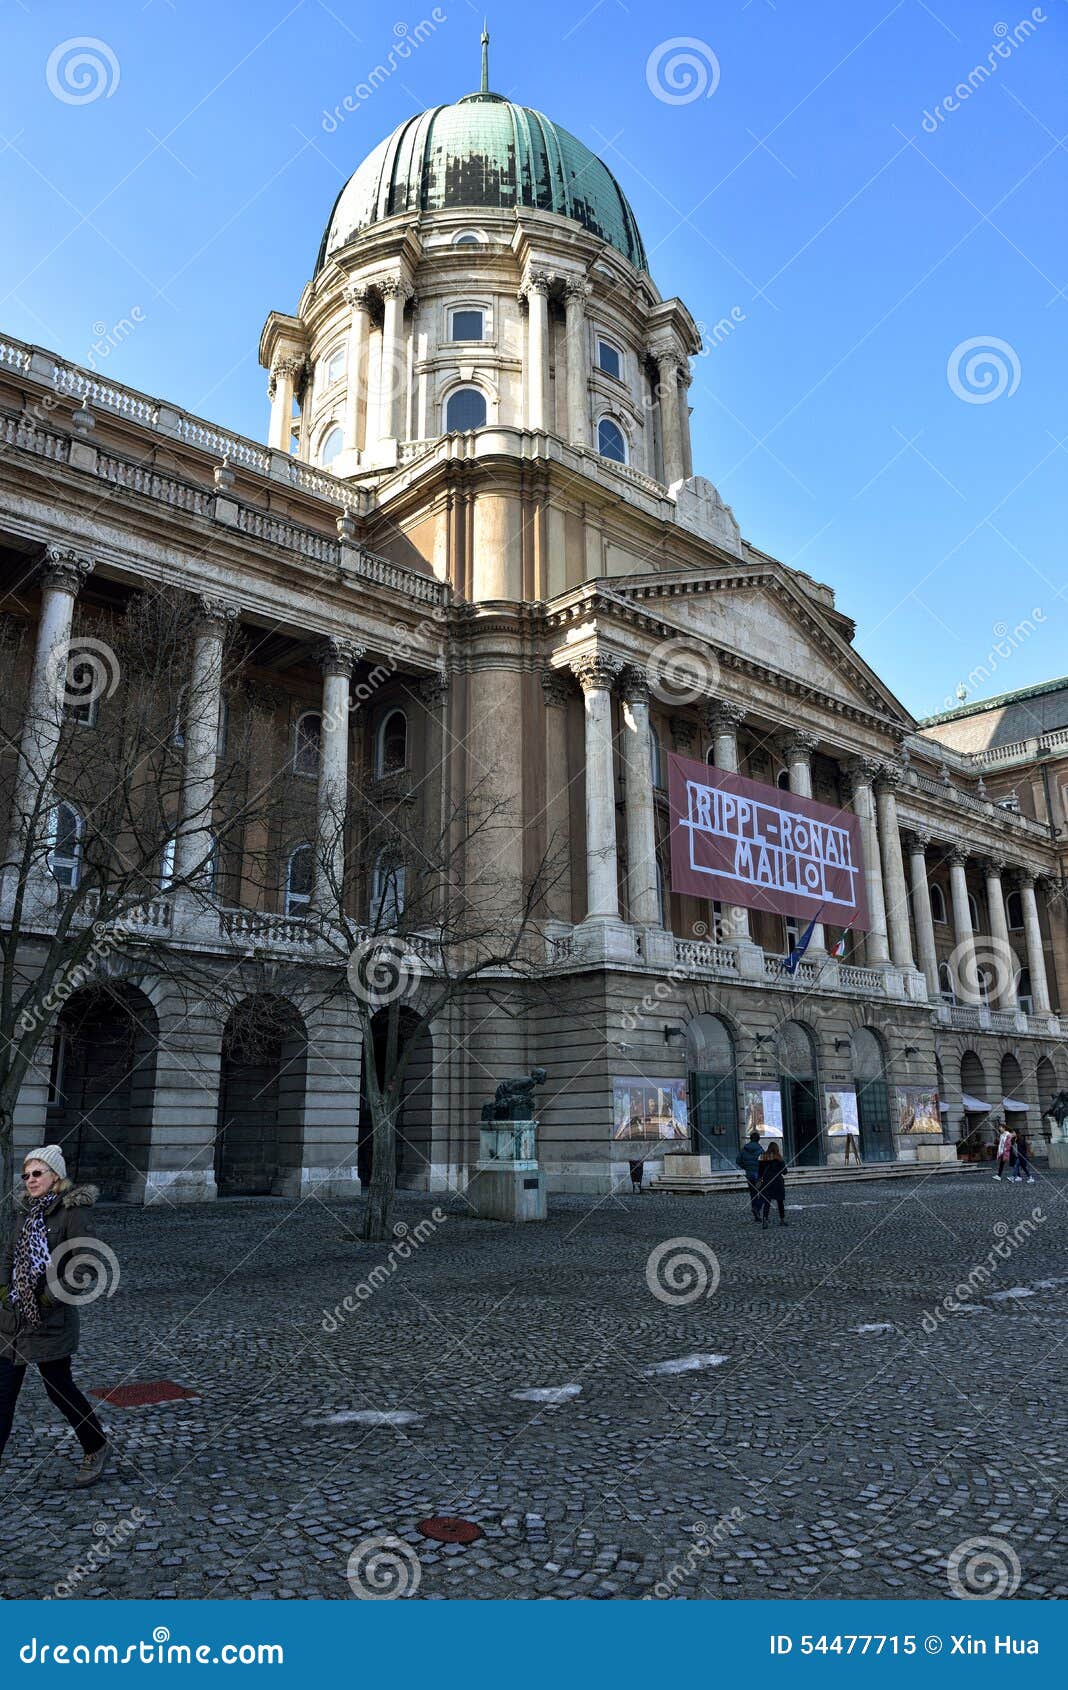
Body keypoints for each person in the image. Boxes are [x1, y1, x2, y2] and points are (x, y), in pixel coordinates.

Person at [0, 1147, 110, 1485]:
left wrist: (46, 1299)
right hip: (11, 1320)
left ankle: (96, 1445)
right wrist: (4, 1292)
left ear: (55, 1177)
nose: (30, 1179)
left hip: (50, 1321)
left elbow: (86, 1263)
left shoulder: (71, 1213)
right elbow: (8, 1255)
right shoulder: (24, 1212)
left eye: (37, 1173)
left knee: (59, 1389)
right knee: (3, 1395)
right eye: (26, 1175)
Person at [756, 1141, 788, 1228]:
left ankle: (765, 1220)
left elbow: (759, 1172)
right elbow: (785, 1172)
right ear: (777, 1149)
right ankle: (782, 1220)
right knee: (780, 1202)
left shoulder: (763, 1157)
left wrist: (759, 1180)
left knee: (767, 1202)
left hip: (767, 1182)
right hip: (778, 1182)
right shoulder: (779, 1158)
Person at [736, 1129, 764, 1223]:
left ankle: (755, 1212)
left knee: (753, 1194)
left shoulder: (744, 1149)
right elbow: (764, 1163)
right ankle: (757, 1209)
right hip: (758, 1175)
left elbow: (738, 1161)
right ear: (758, 1140)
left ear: (750, 1139)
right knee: (763, 1193)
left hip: (749, 1174)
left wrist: (746, 1167)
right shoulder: (760, 1150)